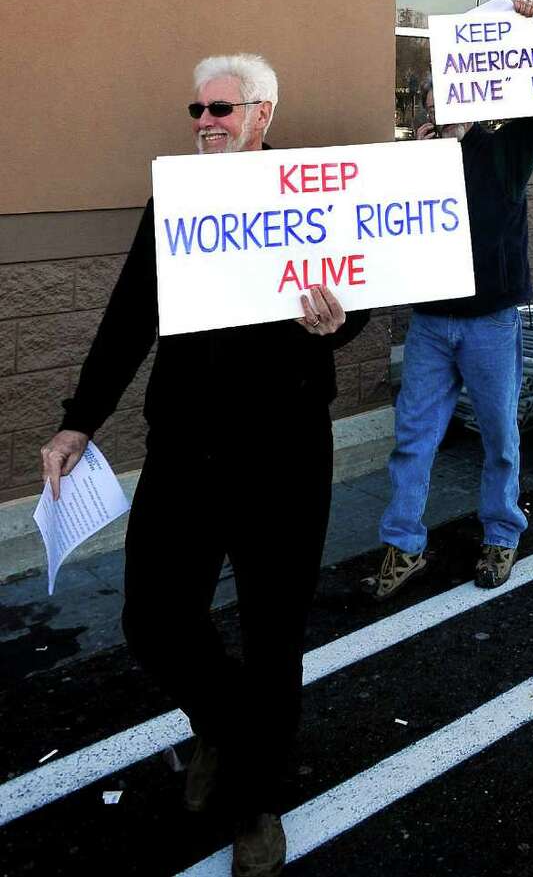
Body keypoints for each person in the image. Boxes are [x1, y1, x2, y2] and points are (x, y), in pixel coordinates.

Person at [39, 54, 367, 877]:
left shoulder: (313, 196)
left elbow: (362, 296)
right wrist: (80, 420)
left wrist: (338, 321)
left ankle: (258, 804)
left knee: (273, 632)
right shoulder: (177, 201)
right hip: (184, 448)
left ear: (262, 114)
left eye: (220, 106)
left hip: (284, 456)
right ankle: (226, 724)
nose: (205, 119)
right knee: (152, 616)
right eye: (197, 107)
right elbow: (126, 319)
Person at [372, 0, 533, 600]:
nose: (440, 105)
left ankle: (502, 532)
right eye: (431, 97)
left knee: (500, 435)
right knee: (413, 436)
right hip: (429, 322)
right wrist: (418, 157)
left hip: (489, 322)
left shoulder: (502, 153)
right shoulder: (416, 157)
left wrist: (523, 36)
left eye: (450, 94)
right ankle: (402, 545)